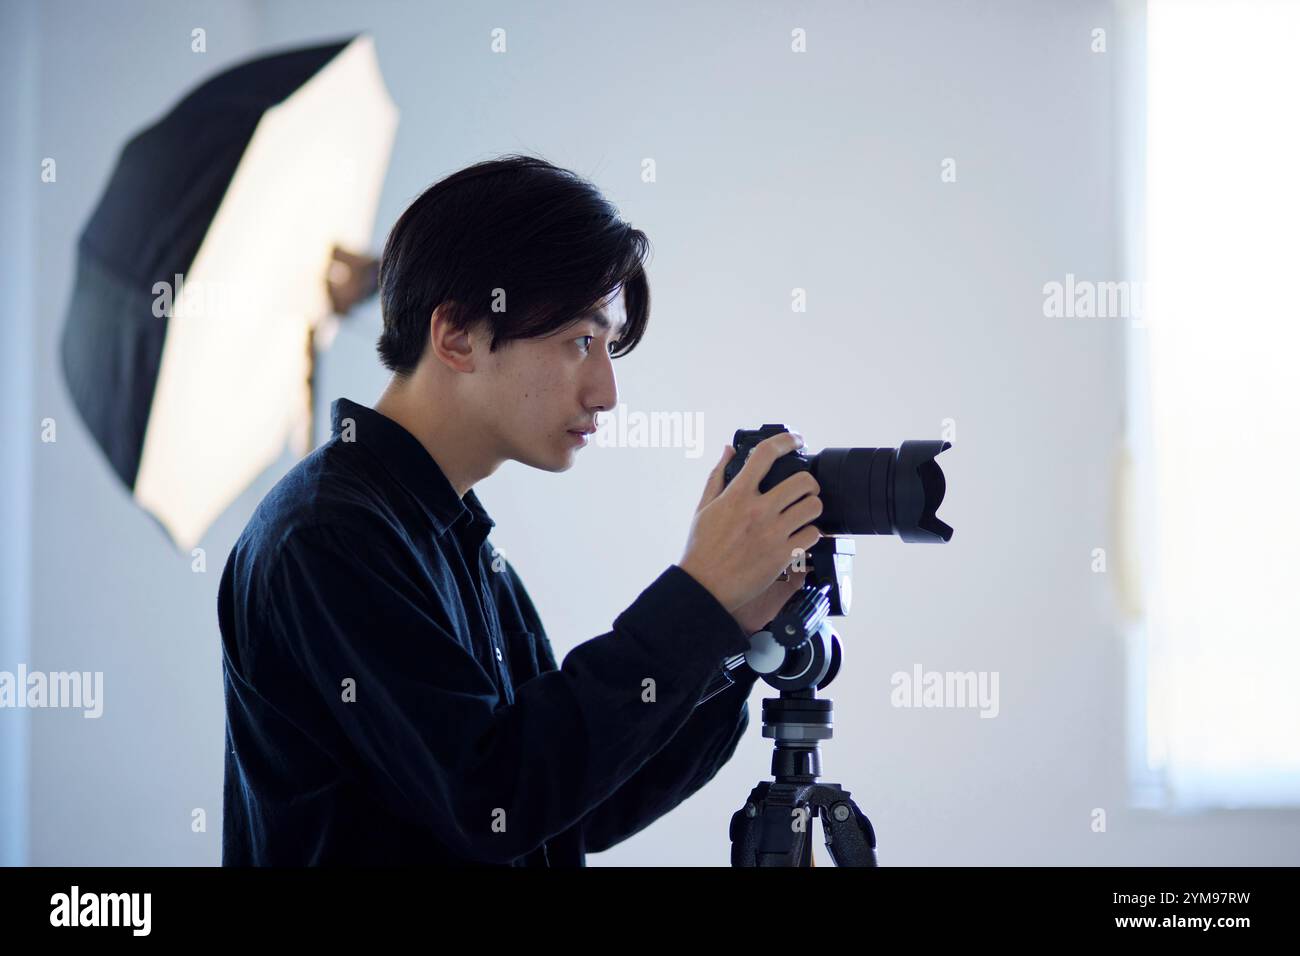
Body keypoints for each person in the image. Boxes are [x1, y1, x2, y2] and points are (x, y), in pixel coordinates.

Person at [218, 154, 823, 865]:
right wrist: (697, 595)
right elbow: (491, 799)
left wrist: (736, 633)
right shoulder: (327, 538)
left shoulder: (462, 540)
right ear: (456, 336)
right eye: (579, 342)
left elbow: (572, 809)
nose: (606, 393)